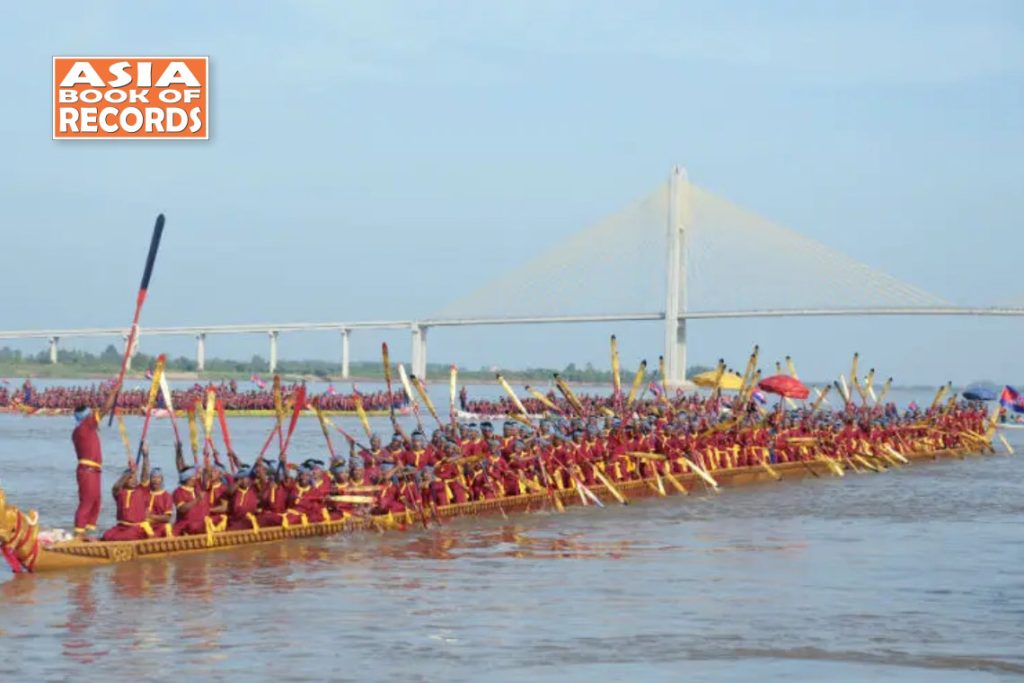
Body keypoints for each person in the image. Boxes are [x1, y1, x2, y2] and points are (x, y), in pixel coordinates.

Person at [71, 389, 117, 539]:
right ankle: (78, 533)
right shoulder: (85, 426)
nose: (93, 415)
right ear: (86, 416)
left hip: (94, 470)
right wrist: (113, 393)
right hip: (87, 470)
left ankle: (88, 531)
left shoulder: (84, 428)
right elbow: (105, 409)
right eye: (90, 413)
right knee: (88, 500)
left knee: (96, 500)